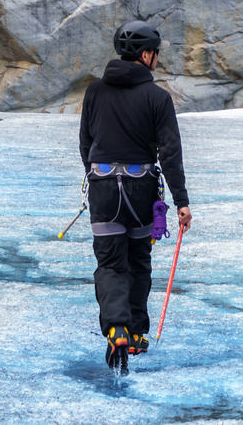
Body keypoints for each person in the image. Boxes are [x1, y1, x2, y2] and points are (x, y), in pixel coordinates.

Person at [79, 19, 192, 372]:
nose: (157, 58)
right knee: (138, 260)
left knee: (111, 264)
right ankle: (137, 333)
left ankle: (117, 329)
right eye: (155, 53)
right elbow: (169, 153)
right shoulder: (157, 98)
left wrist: (98, 181)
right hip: (141, 187)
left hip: (102, 187)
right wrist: (181, 201)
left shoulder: (94, 92)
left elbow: (86, 143)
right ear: (145, 55)